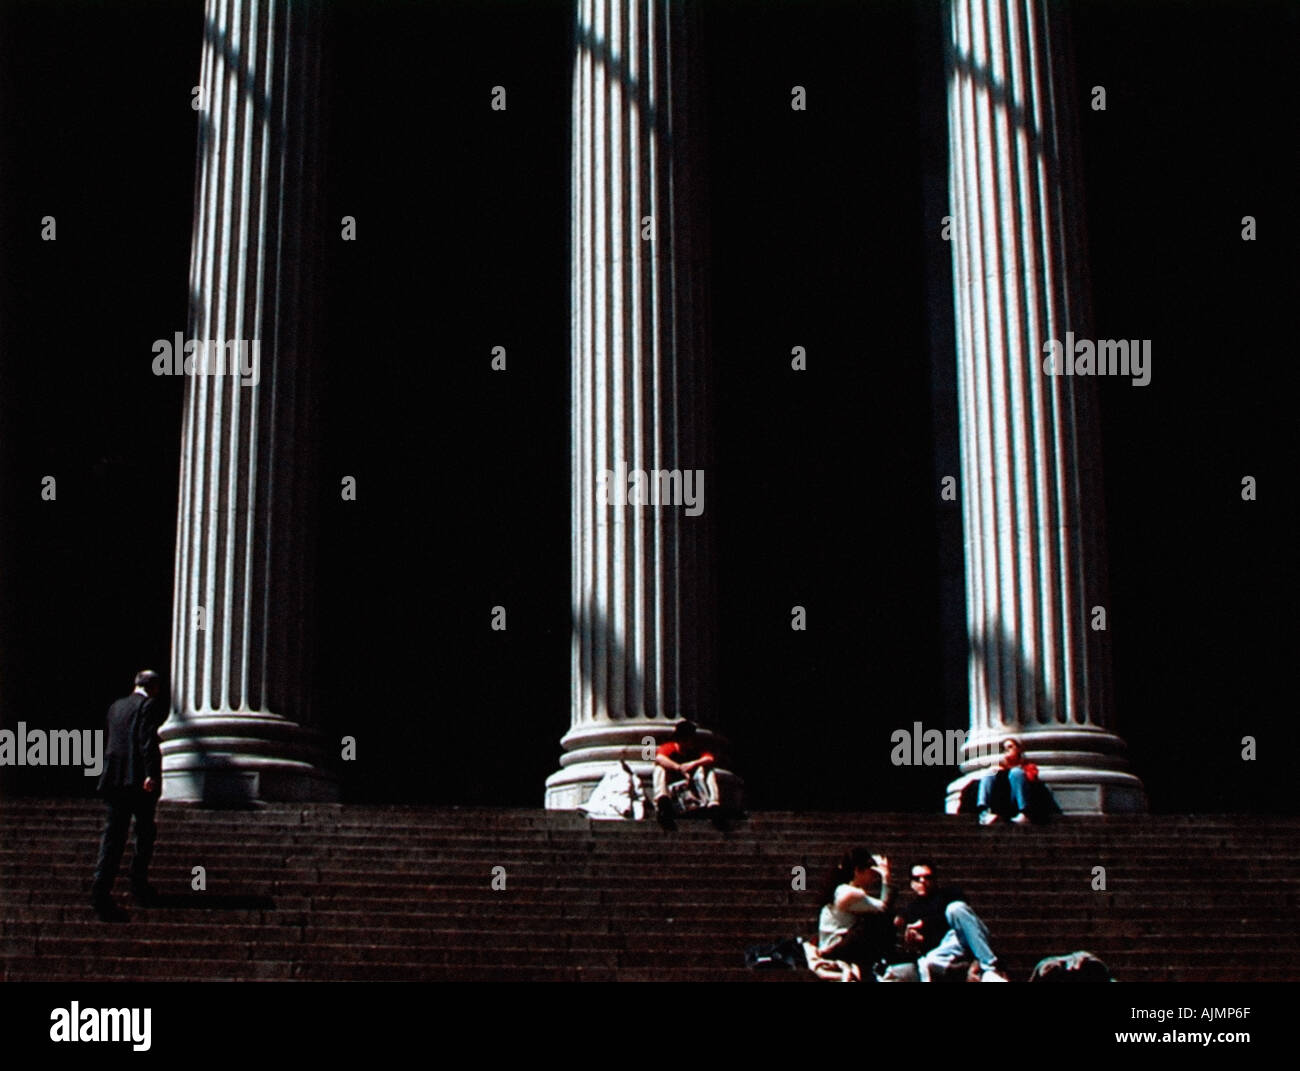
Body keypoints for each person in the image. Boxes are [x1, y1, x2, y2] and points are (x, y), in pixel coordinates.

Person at [90, 669, 166, 920]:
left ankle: (101, 888)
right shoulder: (148, 705)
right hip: (137, 780)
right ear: (153, 687)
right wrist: (151, 774)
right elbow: (147, 740)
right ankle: (138, 883)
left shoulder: (115, 707)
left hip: (114, 778)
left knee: (113, 836)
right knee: (144, 832)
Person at [884, 862, 1008, 982]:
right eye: (917, 878)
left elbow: (961, 916)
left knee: (955, 908)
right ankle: (979, 974)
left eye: (927, 877)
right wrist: (918, 939)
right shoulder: (911, 910)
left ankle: (991, 967)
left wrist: (925, 923)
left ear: (935, 879)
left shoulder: (950, 894)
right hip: (948, 949)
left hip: (964, 936)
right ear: (911, 883)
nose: (922, 881)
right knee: (929, 961)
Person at [815, 849, 895, 971]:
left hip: (832, 945)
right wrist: (886, 876)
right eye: (872, 871)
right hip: (836, 949)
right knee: (876, 920)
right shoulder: (851, 893)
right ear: (858, 870)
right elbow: (884, 907)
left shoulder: (839, 889)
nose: (874, 877)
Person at [652, 720, 718, 828]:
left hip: (693, 788)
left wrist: (693, 764)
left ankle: (713, 804)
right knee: (659, 769)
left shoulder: (696, 750)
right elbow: (659, 758)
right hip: (673, 786)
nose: (688, 742)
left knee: (709, 771)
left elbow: (710, 758)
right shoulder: (670, 747)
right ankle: (662, 800)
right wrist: (678, 768)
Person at [977, 737, 1037, 825]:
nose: (1006, 750)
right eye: (1004, 749)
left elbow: (1032, 780)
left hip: (1020, 800)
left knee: (1016, 772)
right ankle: (984, 813)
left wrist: (1020, 771)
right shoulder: (1001, 768)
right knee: (989, 774)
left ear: (1018, 749)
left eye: (1010, 747)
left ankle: (1024, 814)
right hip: (1004, 800)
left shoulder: (1028, 767)